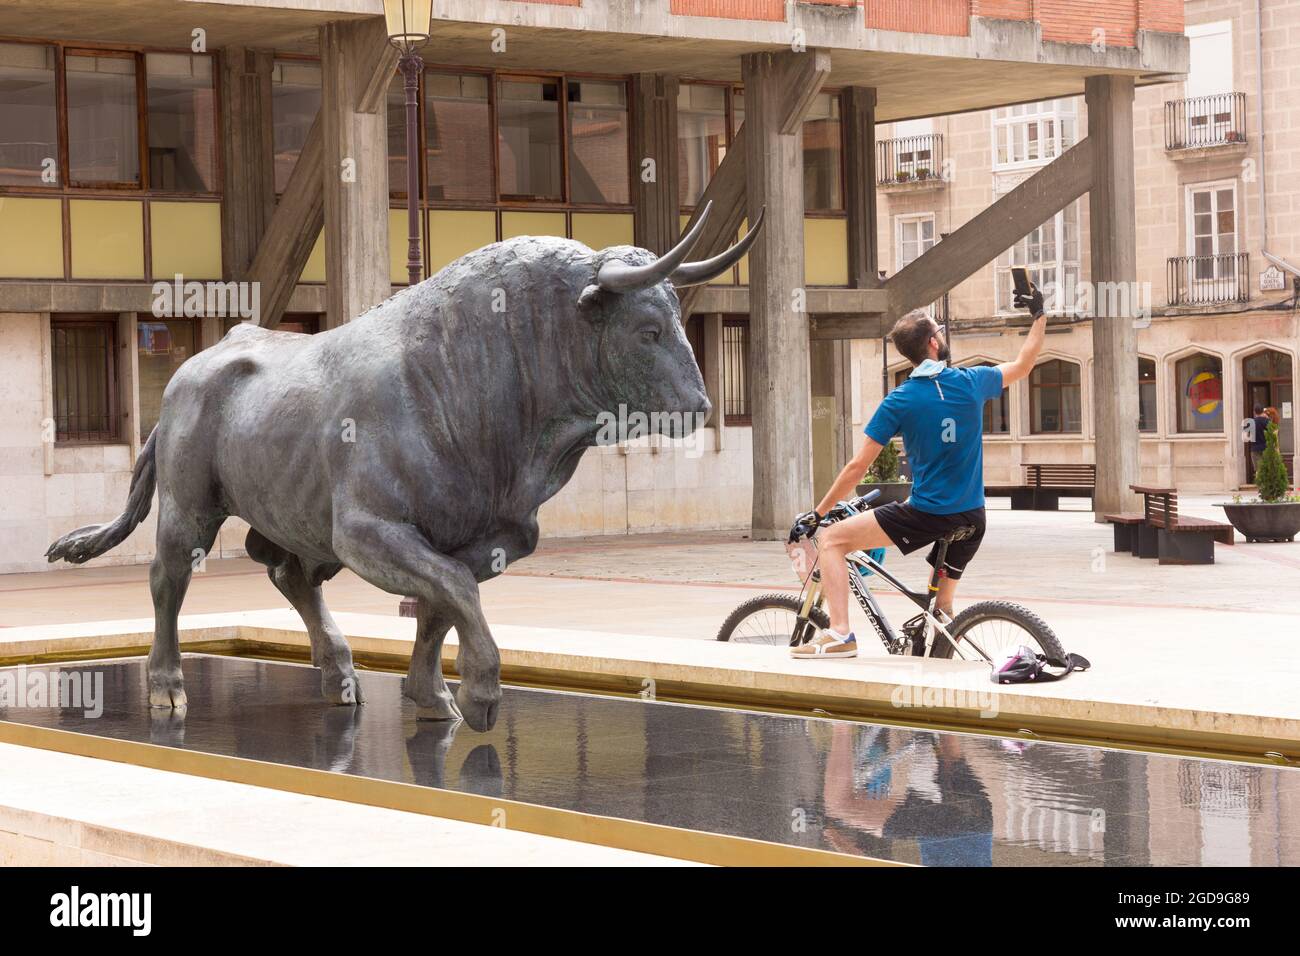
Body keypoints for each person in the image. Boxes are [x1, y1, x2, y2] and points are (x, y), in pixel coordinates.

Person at [787, 288, 1048, 659]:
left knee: (830, 540)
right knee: (940, 612)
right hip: (973, 516)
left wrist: (820, 512)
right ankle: (943, 656)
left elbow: (857, 467)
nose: (942, 336)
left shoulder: (901, 399)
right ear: (932, 342)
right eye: (939, 331)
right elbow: (1024, 364)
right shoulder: (971, 382)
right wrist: (1039, 315)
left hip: (929, 515)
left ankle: (840, 634)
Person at [1248, 404, 1270, 482]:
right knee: (1266, 468)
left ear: (1254, 412)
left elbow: (1246, 437)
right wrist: (1267, 418)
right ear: (1262, 411)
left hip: (1255, 448)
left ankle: (1260, 486)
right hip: (1265, 448)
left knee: (1258, 470)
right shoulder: (1266, 421)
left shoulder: (1250, 422)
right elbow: (1273, 431)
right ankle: (1267, 485)